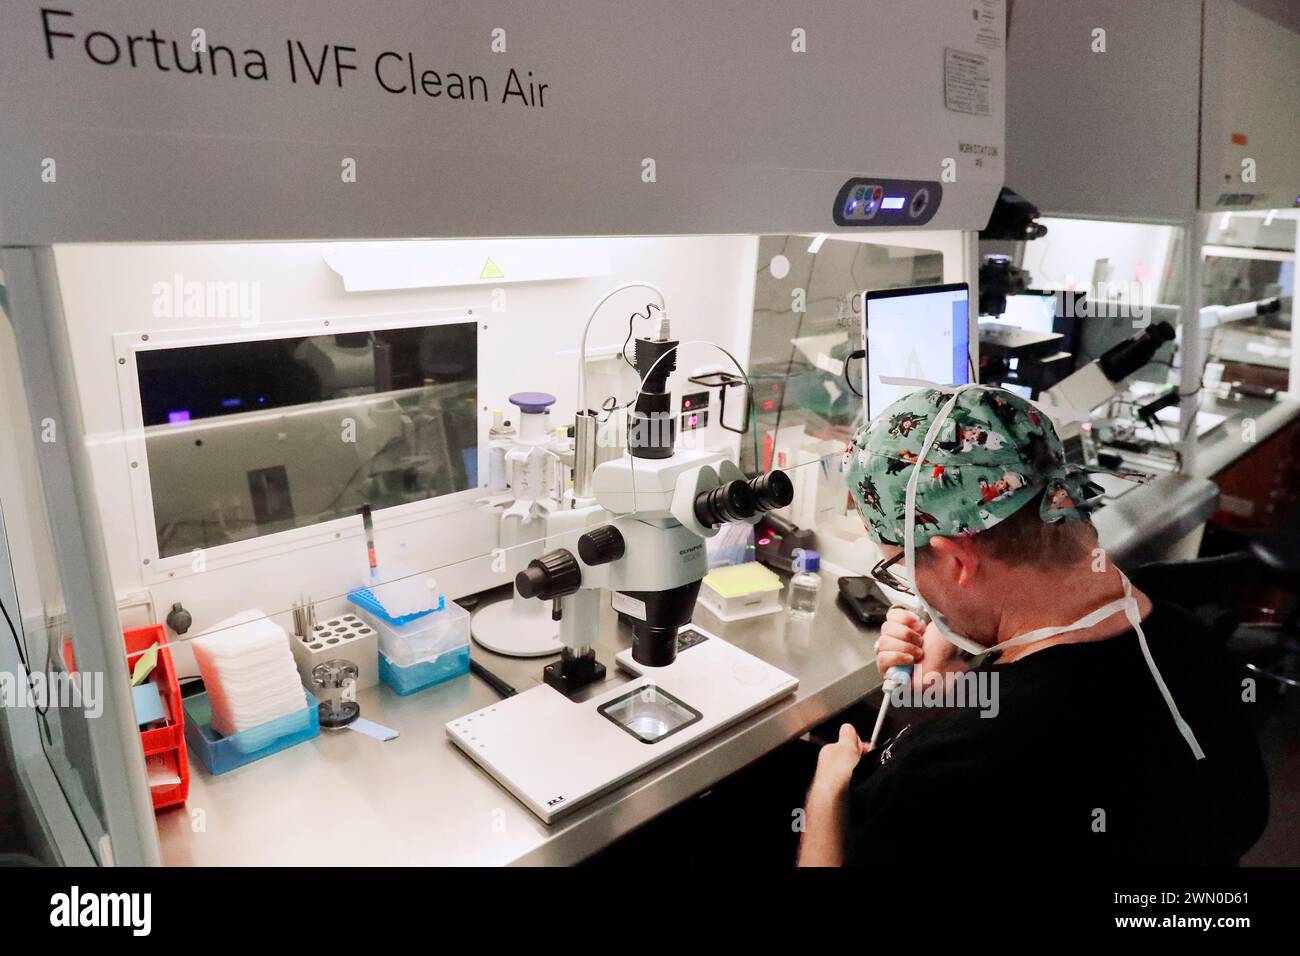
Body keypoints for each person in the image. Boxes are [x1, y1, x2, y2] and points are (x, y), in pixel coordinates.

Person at [797, 385, 1268, 866]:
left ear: (958, 560)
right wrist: (953, 689)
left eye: (899, 568)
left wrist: (826, 796)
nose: (913, 593)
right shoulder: (1194, 642)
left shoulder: (955, 770)